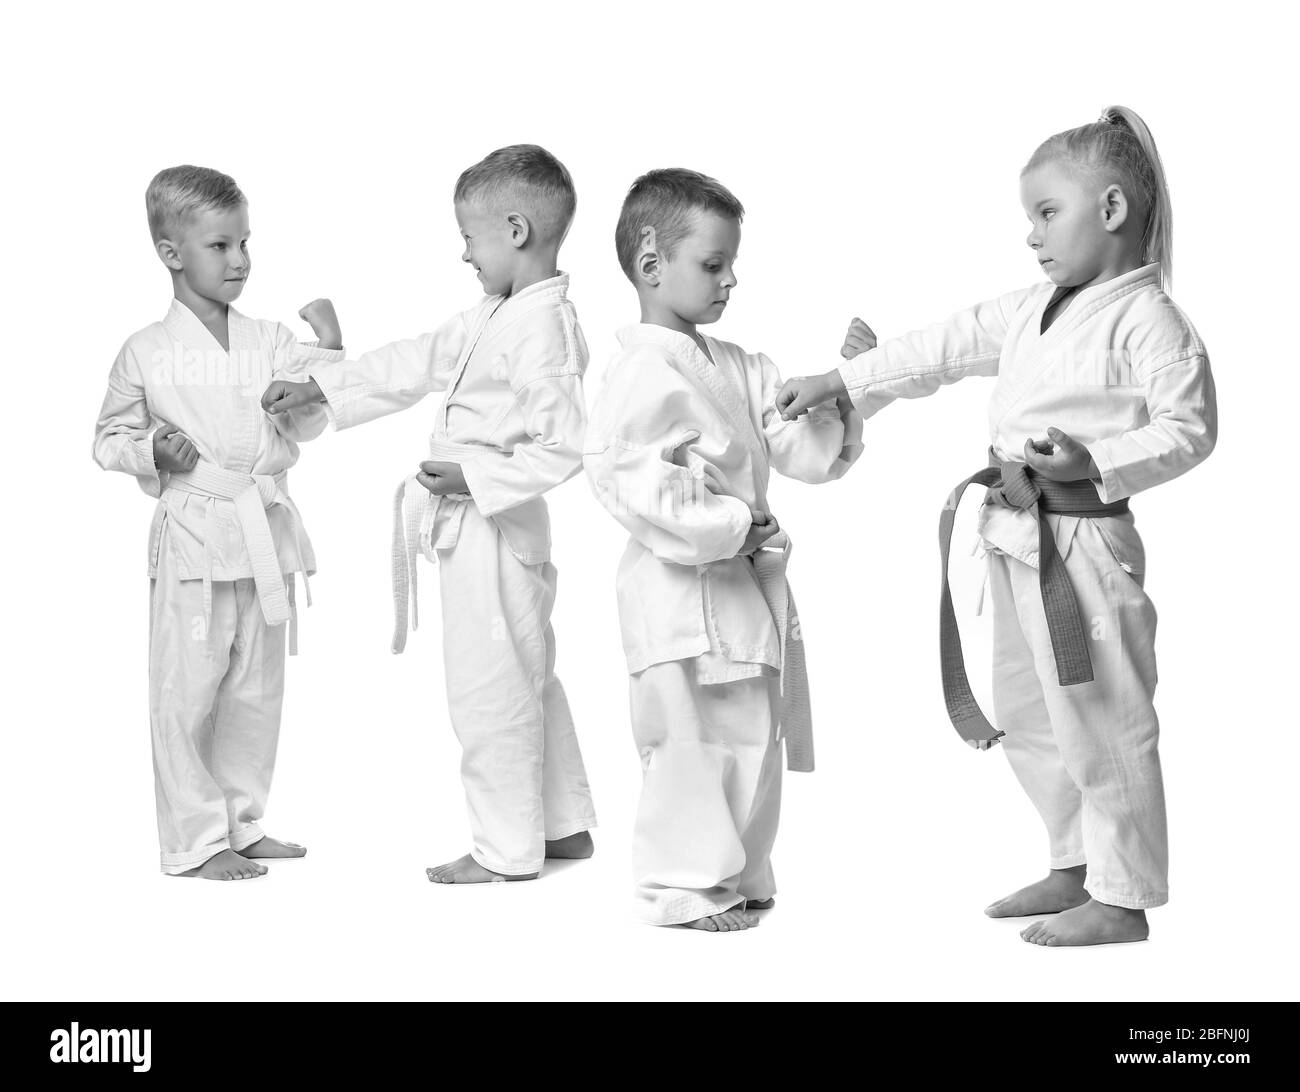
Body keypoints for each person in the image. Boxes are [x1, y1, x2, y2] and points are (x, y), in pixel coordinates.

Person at [778, 107, 1217, 946]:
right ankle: (1073, 863)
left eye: (1047, 214)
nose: (1031, 236)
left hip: (1084, 547)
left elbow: (1190, 430)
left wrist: (1095, 460)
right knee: (1033, 711)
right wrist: (842, 377)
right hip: (1015, 533)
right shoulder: (1033, 306)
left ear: (1113, 211)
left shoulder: (1150, 320)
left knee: (1105, 716)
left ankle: (1123, 900)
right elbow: (939, 348)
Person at [261, 145, 596, 884]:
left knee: (490, 690)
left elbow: (568, 444)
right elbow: (416, 361)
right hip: (485, 527)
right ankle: (563, 823)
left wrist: (475, 477)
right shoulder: (497, 312)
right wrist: (323, 387)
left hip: (493, 529)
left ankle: (506, 849)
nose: (465, 254)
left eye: (470, 238)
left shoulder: (543, 330)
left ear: (514, 230)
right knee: (528, 673)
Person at [584, 168, 862, 931]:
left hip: (740, 592)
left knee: (749, 735)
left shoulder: (736, 364)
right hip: (677, 593)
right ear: (651, 264)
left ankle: (739, 871)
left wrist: (841, 390)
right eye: (713, 264)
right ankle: (683, 886)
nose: (730, 279)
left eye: (731, 263)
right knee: (685, 742)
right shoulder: (639, 371)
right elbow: (629, 481)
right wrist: (737, 523)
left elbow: (800, 449)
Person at [93, 164, 344, 879]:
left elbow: (315, 415)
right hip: (195, 538)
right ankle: (195, 842)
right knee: (185, 690)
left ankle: (242, 819)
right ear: (172, 253)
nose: (239, 261)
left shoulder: (269, 337)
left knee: (254, 691)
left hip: (262, 530)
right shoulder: (145, 349)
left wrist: (326, 348)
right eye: (220, 246)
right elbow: (106, 438)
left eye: (245, 244)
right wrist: (150, 449)